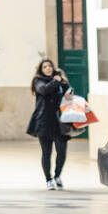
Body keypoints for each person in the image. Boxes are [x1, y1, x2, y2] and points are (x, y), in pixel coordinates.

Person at [26, 59, 71, 190]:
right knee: (47, 152)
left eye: (50, 66)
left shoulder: (60, 80)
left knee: (62, 151)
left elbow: (68, 91)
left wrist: (68, 93)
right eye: (45, 67)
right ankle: (48, 179)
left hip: (60, 122)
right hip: (44, 121)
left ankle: (57, 175)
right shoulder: (38, 81)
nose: (48, 69)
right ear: (41, 69)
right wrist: (55, 81)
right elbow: (44, 90)